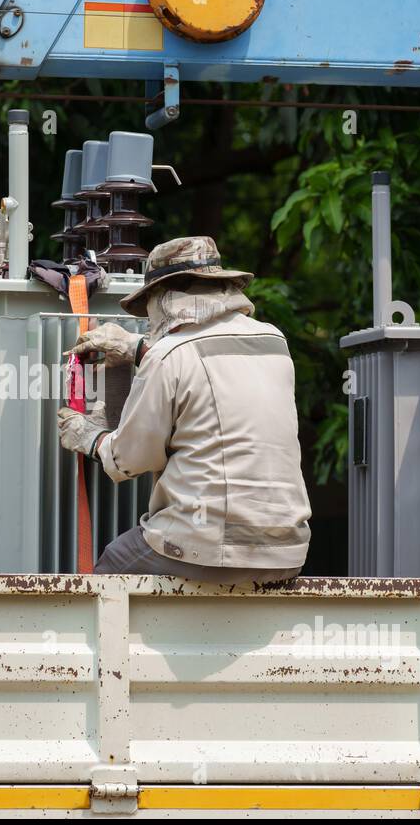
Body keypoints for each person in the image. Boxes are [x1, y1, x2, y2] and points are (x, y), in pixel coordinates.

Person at [57, 236, 311, 583]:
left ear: (163, 298)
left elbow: (131, 459)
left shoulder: (168, 355)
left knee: (111, 572)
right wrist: (137, 349)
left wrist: (90, 436)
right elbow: (214, 374)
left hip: (208, 545)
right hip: (287, 549)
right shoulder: (273, 341)